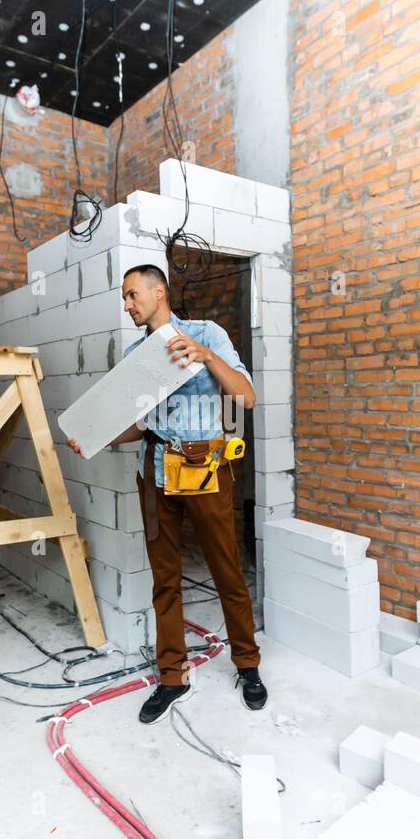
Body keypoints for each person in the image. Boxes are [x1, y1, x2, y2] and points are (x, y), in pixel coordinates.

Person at [66, 263, 266, 724]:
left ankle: (247, 665)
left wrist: (204, 357)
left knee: (227, 571)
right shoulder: (138, 358)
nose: (127, 304)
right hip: (155, 475)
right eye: (125, 297)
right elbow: (141, 426)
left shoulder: (206, 333)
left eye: (133, 294)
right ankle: (172, 677)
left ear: (159, 291)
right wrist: (96, 436)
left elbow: (245, 398)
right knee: (165, 579)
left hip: (206, 469)